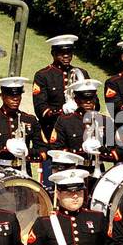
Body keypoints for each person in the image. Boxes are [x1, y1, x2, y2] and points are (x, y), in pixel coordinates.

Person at [34, 35, 89, 180]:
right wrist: (61, 110)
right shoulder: (43, 76)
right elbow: (41, 110)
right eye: (61, 53)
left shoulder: (82, 74)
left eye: (69, 52)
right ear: (53, 53)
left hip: (78, 135)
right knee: (52, 183)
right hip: (54, 136)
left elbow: (94, 103)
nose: (66, 56)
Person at [0, 76, 45, 176]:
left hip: (23, 172)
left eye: (18, 95)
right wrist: (4, 148)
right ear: (2, 96)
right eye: (11, 96)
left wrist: (27, 152)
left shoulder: (30, 120)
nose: (15, 99)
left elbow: (45, 151)